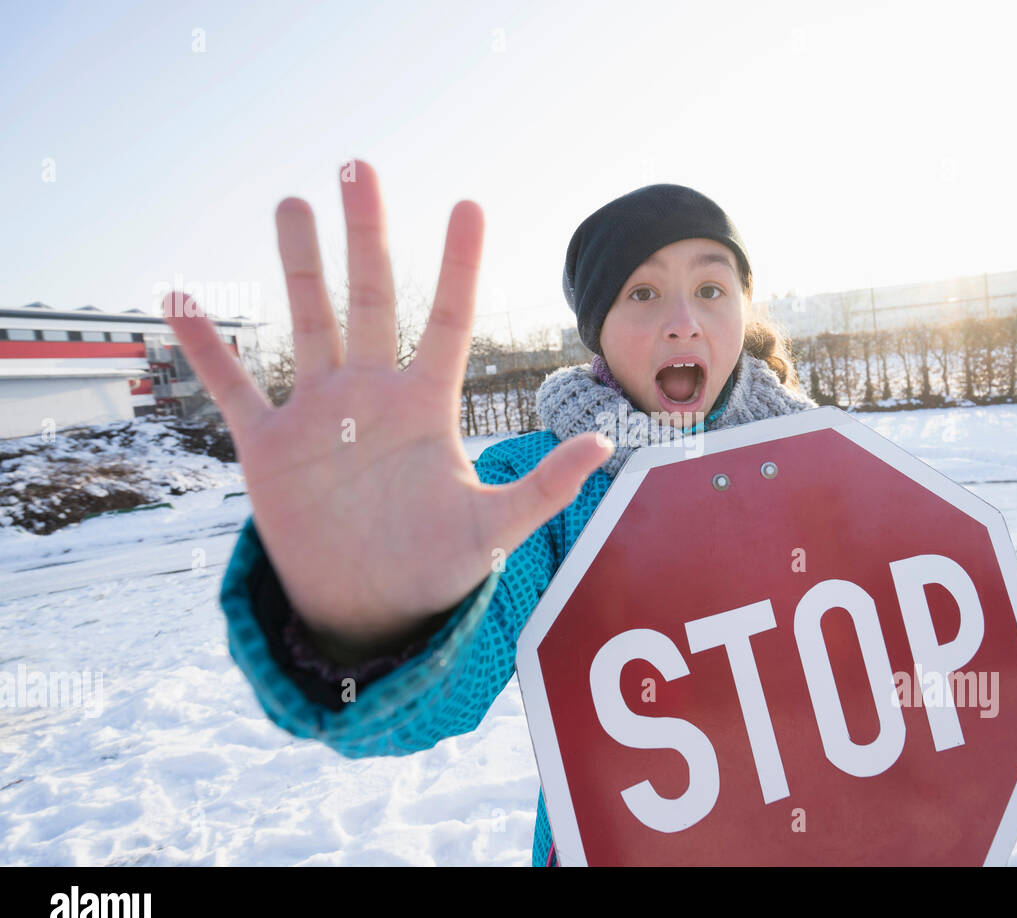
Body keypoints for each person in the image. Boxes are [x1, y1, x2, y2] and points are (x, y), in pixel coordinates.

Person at [164, 161, 818, 866]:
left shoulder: (829, 465)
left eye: (711, 288)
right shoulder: (539, 488)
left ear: (743, 309)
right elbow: (457, 679)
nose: (683, 322)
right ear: (598, 332)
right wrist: (378, 616)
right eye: (644, 293)